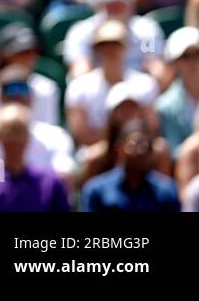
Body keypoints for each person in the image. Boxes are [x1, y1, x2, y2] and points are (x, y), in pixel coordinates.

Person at [65, 20, 159, 149]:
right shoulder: (79, 87)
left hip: (137, 149)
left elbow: (152, 129)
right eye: (104, 44)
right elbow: (82, 136)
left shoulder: (145, 84)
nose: (110, 50)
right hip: (97, 153)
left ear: (126, 47)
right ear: (96, 48)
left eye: (116, 44)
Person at [0, 105, 71, 212]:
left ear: (28, 137)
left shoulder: (49, 182)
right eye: (9, 131)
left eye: (19, 131)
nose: (15, 139)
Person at [81, 120, 181, 212]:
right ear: (119, 149)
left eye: (144, 145)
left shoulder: (166, 192)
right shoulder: (97, 191)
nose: (139, 151)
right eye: (133, 145)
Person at [0, 24, 61, 126]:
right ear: (3, 55)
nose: (28, 57)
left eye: (32, 52)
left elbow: (47, 130)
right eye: (21, 52)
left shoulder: (45, 88)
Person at [157, 27, 199, 156]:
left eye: (197, 54)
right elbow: (174, 153)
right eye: (185, 57)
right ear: (173, 63)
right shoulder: (164, 106)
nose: (193, 62)